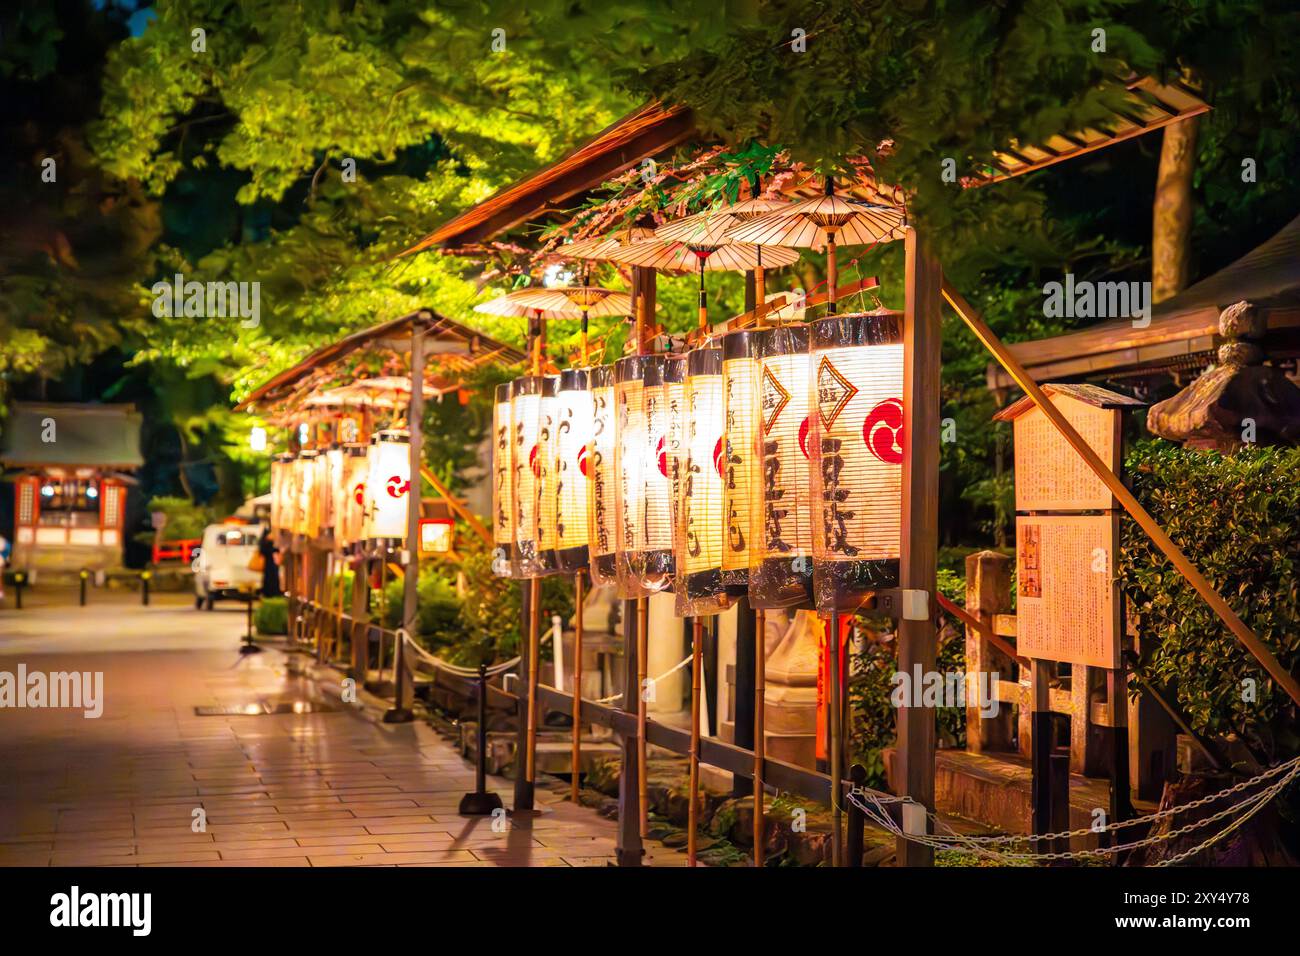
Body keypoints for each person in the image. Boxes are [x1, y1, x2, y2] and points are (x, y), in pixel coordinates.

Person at [258, 527, 282, 598]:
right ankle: (270, 595)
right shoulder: (267, 532)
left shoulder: (277, 532)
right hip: (269, 562)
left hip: (274, 561)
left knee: (274, 578)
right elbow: (262, 549)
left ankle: (273, 594)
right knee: (270, 578)